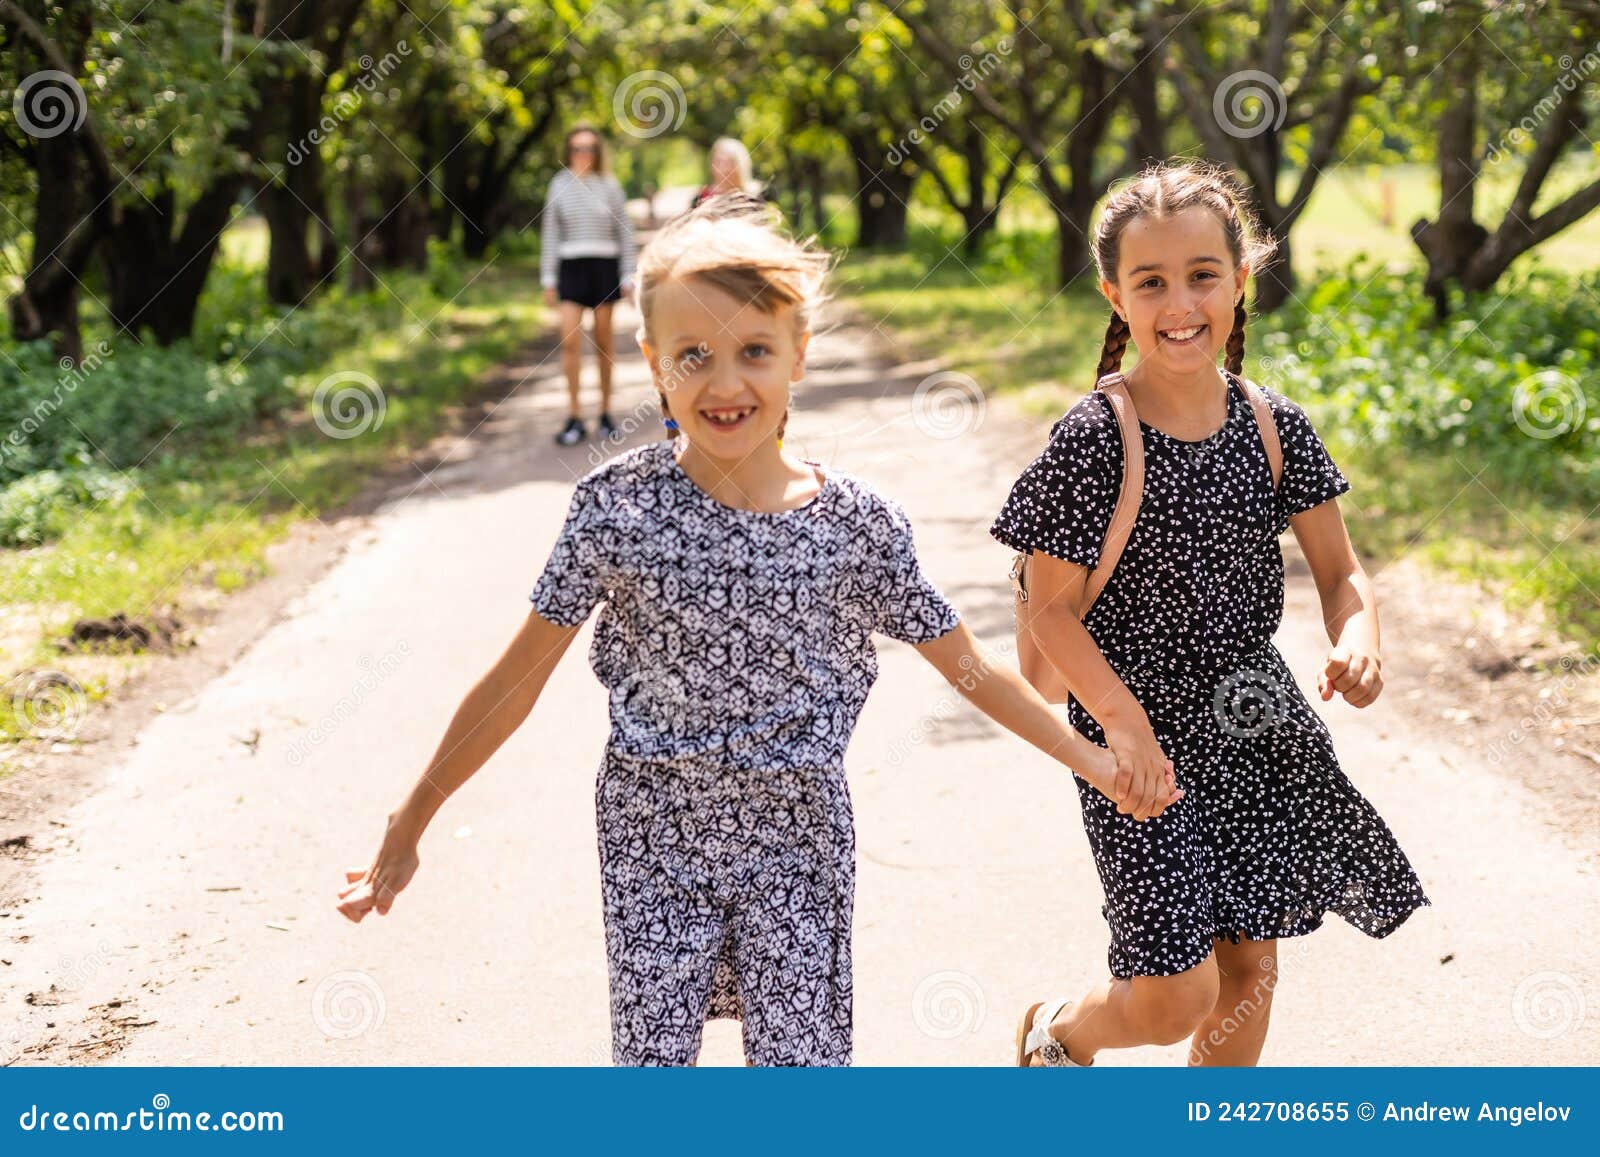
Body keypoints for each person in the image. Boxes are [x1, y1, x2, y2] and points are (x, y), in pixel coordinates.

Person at [335, 196, 1182, 1067]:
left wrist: (1092, 759)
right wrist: (415, 813)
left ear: (798, 356)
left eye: (754, 352)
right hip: (652, 842)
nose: (725, 383)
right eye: (693, 355)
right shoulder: (614, 511)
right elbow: (513, 681)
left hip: (800, 846)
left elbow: (969, 668)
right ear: (653, 361)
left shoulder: (857, 524)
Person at [996, 159, 1431, 1068]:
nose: (1180, 301)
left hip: (1255, 717)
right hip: (1132, 728)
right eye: (1151, 281)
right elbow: (1050, 616)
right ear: (1116, 295)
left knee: (1249, 976)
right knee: (1171, 994)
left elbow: (1342, 571)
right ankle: (1057, 1034)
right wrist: (1124, 727)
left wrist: (1360, 640)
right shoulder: (1094, 439)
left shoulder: (1275, 425)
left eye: (1203, 274)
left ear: (1243, 278)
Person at [540, 125, 638, 447]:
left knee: (604, 343)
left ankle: (607, 413)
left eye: (589, 149)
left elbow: (625, 232)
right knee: (569, 342)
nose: (583, 155)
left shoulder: (610, 186)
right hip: (571, 267)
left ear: (597, 153)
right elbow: (551, 234)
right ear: (568, 151)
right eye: (577, 149)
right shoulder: (558, 185)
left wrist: (628, 275)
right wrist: (548, 279)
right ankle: (574, 416)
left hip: (604, 267)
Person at [690, 136, 764, 210]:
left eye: (730, 163)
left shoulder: (754, 197)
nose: (724, 169)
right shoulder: (702, 198)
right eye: (718, 162)